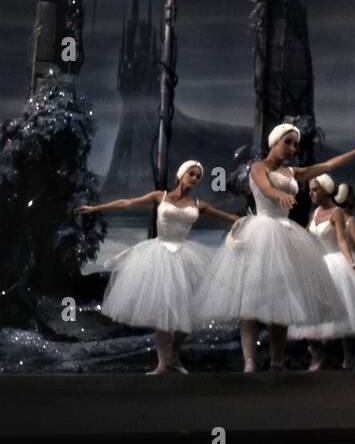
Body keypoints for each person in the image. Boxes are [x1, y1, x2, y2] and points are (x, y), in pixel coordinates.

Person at [195, 122, 355, 372]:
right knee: (249, 301)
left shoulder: (293, 173)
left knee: (281, 299)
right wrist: (277, 195)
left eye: (295, 144)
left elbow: (326, 166)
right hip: (261, 232)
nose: (292, 148)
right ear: (274, 142)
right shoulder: (258, 167)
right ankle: (250, 362)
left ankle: (277, 361)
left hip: (285, 233)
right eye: (288, 142)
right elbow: (264, 186)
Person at [75, 159, 238, 374]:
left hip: (185, 256)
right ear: (181, 175)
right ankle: (162, 363)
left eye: (198, 176)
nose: (195, 179)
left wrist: (254, 223)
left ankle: (173, 354)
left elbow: (229, 217)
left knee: (188, 311)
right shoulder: (159, 196)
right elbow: (126, 203)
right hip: (159, 254)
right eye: (192, 174)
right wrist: (96, 207)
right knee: (163, 311)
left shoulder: (198, 204)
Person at [289, 179, 355, 370]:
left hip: (337, 263)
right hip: (319, 263)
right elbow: (305, 237)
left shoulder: (337, 213)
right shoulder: (314, 214)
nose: (311, 193)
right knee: (311, 308)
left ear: (326, 190)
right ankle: (319, 354)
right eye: (310, 190)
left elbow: (342, 242)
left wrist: (353, 262)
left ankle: (345, 357)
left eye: (315, 190)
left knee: (346, 307)